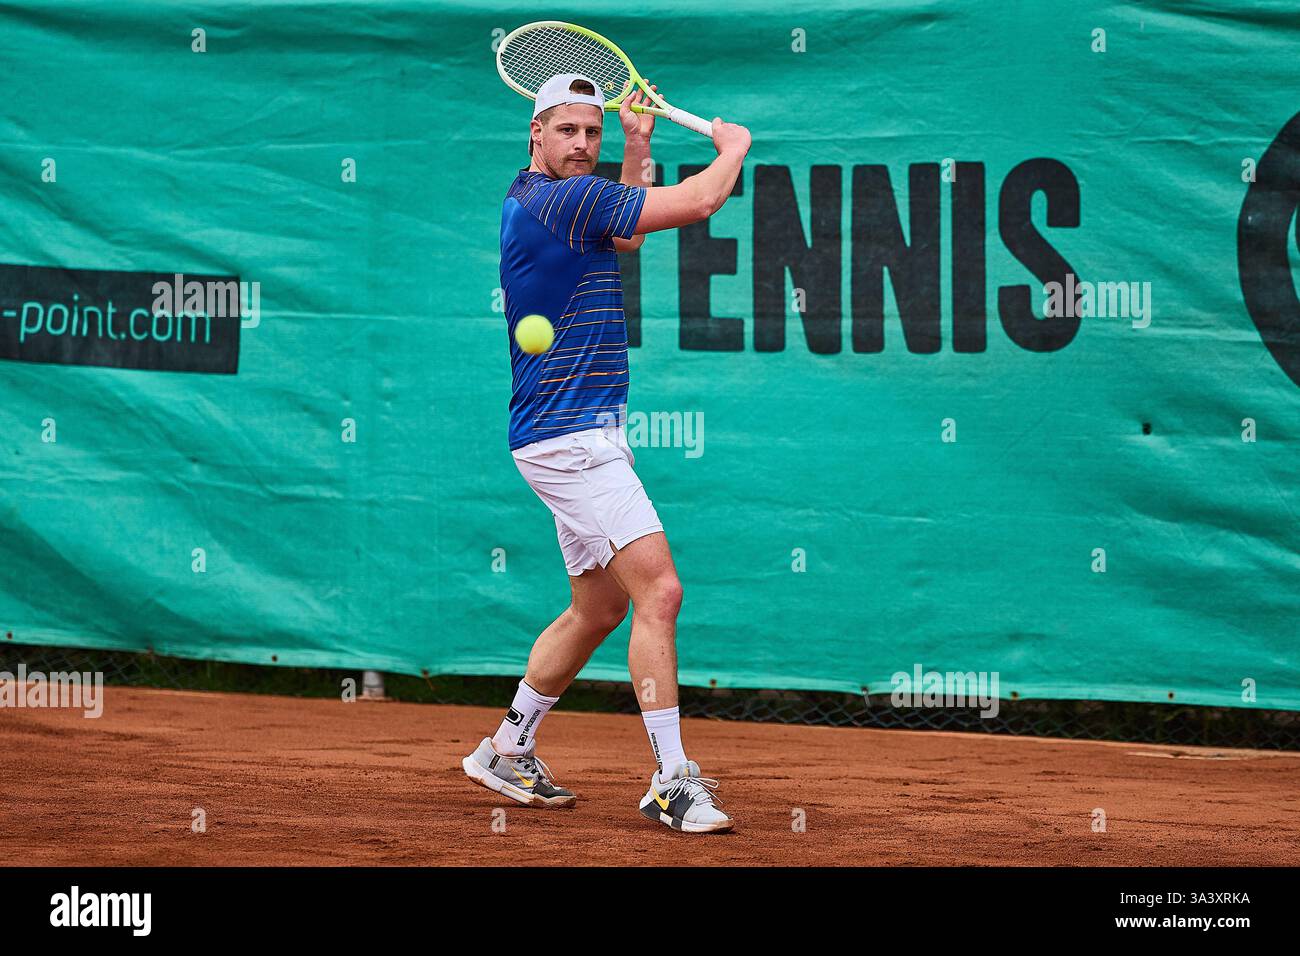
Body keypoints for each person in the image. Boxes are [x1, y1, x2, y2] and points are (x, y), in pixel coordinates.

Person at [461, 73, 750, 833]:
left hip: (569, 432)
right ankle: (671, 780)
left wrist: (637, 144)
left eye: (592, 131)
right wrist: (735, 149)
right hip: (572, 437)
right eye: (568, 131)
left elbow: (624, 236)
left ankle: (506, 748)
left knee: (600, 607)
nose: (581, 145)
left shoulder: (546, 199)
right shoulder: (561, 199)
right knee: (660, 593)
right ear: (536, 134)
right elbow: (699, 203)